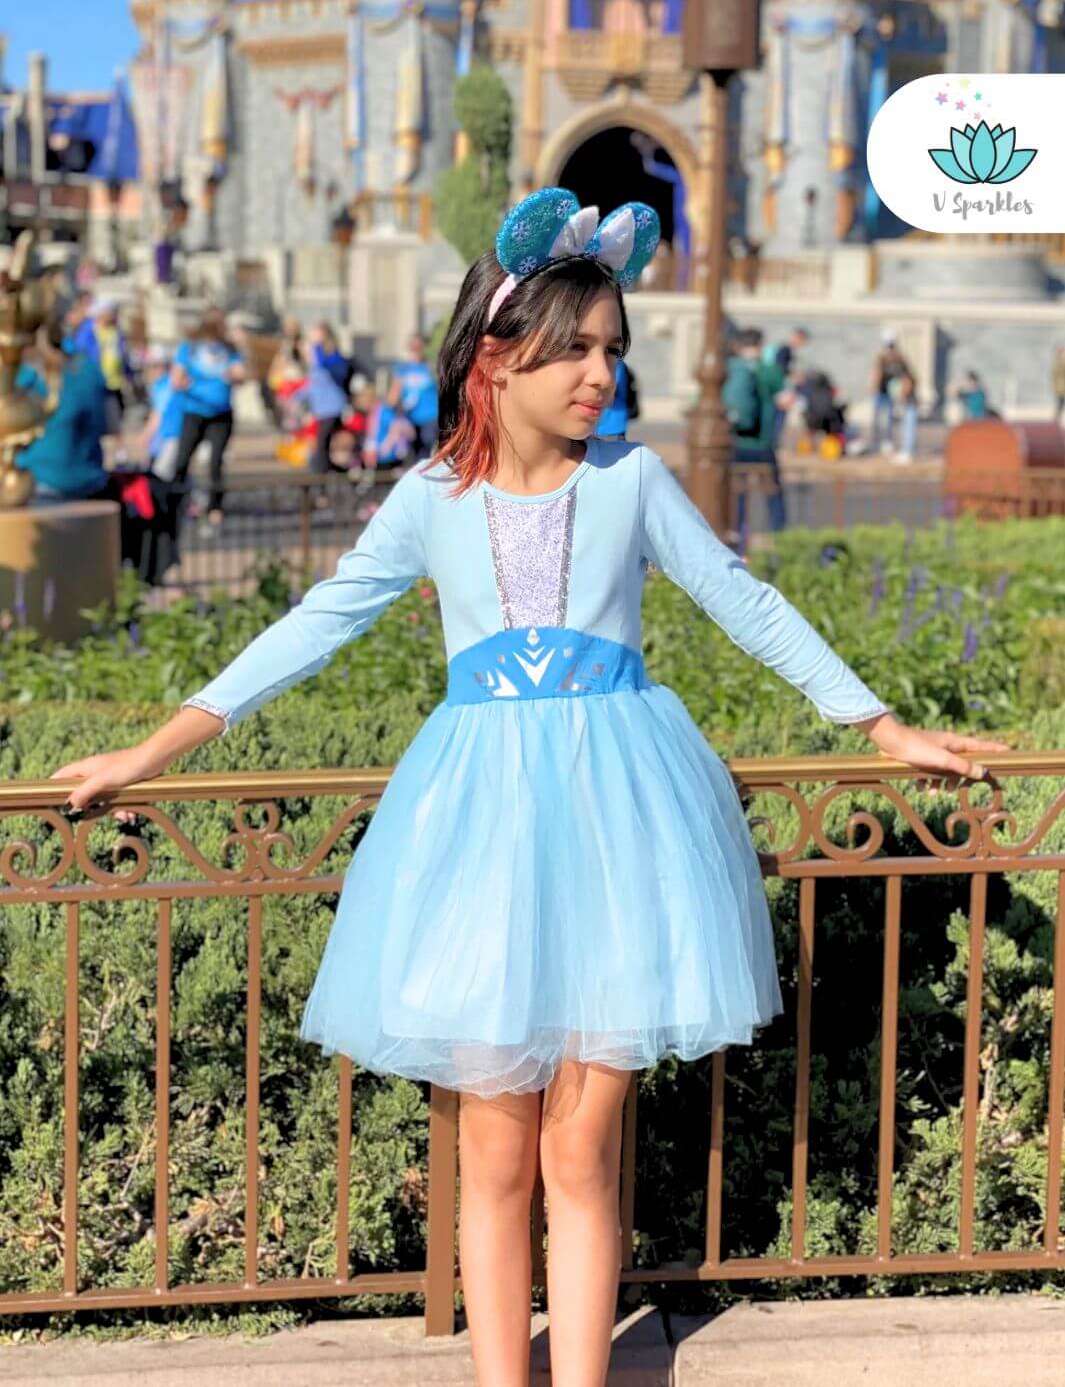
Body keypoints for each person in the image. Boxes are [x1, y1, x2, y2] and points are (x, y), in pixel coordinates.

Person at [49, 185, 1009, 1387]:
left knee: (580, 1150)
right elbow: (313, 625)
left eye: (613, 349)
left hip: (620, 826)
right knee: (495, 1156)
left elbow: (744, 600)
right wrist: (149, 752)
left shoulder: (632, 482)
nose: (602, 374)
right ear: (497, 360)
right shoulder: (428, 501)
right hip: (479, 836)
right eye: (575, 351)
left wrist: (879, 723)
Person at [14, 316, 110, 500]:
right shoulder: (90, 369)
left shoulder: (27, 377)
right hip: (91, 480)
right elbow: (111, 425)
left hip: (42, 481)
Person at [169, 307, 245, 528]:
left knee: (215, 463)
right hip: (195, 411)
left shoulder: (229, 349)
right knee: (182, 459)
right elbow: (176, 379)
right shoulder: (190, 348)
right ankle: (176, 502)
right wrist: (186, 383)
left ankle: (215, 507)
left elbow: (240, 374)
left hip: (220, 414)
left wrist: (234, 374)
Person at [725, 328, 787, 533]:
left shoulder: (729, 368)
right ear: (760, 345)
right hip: (762, 441)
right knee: (772, 491)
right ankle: (778, 534)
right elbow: (785, 400)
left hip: (736, 440)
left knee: (738, 491)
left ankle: (738, 534)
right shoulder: (769, 370)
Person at [72, 296, 132, 440]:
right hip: (94, 383)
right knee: (96, 422)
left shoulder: (116, 332)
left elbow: (122, 355)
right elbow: (80, 353)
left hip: (114, 383)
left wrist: (128, 373)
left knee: (115, 422)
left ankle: (118, 450)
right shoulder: (88, 330)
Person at [304, 322, 354, 475]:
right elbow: (313, 386)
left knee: (323, 443)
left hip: (332, 408)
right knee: (323, 444)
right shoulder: (314, 363)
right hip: (320, 409)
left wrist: (316, 348)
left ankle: (321, 477)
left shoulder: (333, 357)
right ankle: (334, 472)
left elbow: (329, 368)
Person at [138, 344, 186, 481]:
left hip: (173, 434)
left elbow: (158, 414)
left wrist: (146, 434)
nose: (155, 370)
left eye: (159, 365)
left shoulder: (167, 385)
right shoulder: (158, 385)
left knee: (162, 474)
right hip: (163, 436)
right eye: (152, 366)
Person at [870, 331, 917, 461]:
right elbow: (877, 374)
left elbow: (907, 380)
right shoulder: (881, 359)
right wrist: (873, 387)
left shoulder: (900, 360)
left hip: (905, 397)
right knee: (882, 419)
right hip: (885, 393)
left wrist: (902, 395)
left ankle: (906, 450)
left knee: (906, 423)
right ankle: (883, 442)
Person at [392, 333, 439, 459]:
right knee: (413, 453)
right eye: (412, 347)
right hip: (410, 417)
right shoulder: (402, 369)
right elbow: (394, 395)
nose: (415, 350)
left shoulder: (430, 367)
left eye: (418, 347)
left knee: (428, 448)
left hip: (430, 417)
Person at [595, 357, 637, 441]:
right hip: (614, 421)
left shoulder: (615, 364)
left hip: (610, 423)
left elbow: (610, 388)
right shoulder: (618, 364)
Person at [1052, 343, 1065, 425]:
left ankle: (1056, 419)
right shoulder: (1060, 361)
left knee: (1060, 403)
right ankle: (1056, 420)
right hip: (1061, 387)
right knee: (1060, 403)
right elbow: (1055, 375)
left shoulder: (1057, 361)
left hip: (1060, 386)